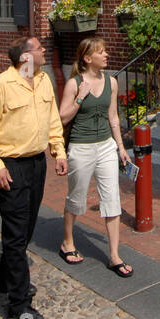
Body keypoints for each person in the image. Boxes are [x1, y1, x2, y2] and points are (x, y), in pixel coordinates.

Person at [0, 36, 67, 319]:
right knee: (16, 233)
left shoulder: (43, 81)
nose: (43, 51)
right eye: (38, 48)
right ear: (25, 56)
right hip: (11, 165)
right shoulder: (1, 85)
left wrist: (59, 150)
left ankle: (6, 278)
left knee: (26, 228)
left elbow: (53, 119)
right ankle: (19, 307)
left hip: (37, 163)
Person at [58, 36, 133, 277]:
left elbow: (113, 117)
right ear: (88, 58)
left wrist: (120, 146)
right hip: (81, 147)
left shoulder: (111, 82)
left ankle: (114, 256)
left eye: (105, 51)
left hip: (106, 148)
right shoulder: (74, 83)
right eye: (101, 52)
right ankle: (67, 242)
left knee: (112, 198)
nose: (106, 55)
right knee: (77, 197)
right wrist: (80, 96)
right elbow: (62, 118)